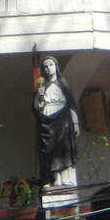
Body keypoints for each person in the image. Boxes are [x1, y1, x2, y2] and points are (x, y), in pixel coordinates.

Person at [32, 56, 79, 186]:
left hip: (63, 120)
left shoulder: (63, 83)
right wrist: (40, 98)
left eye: (51, 65)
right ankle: (53, 179)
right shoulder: (42, 85)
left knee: (64, 148)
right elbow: (37, 105)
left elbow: (71, 104)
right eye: (45, 67)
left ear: (56, 66)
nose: (48, 69)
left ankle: (65, 179)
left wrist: (75, 122)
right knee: (49, 150)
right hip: (48, 122)